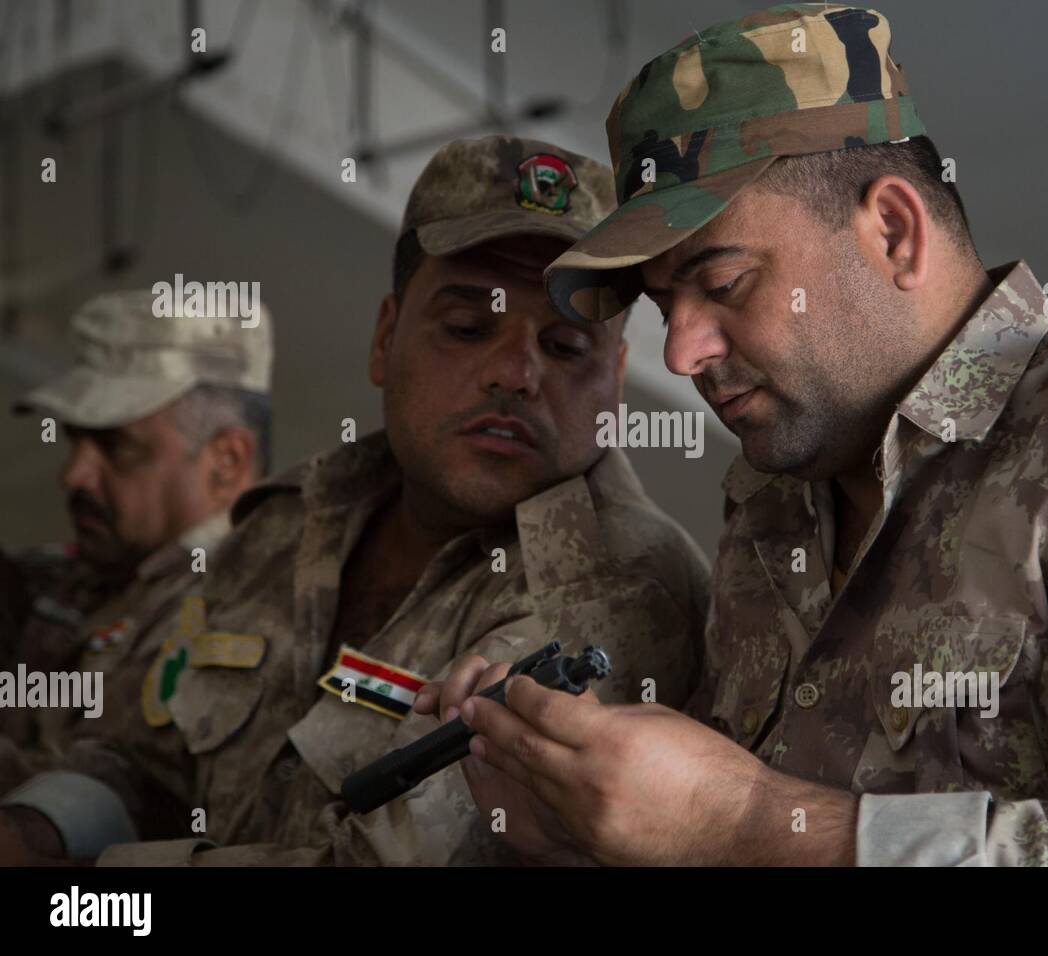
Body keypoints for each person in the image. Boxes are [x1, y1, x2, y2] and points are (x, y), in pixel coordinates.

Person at [433, 4, 1048, 866]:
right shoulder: (775, 504)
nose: (683, 350)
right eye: (665, 305)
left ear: (893, 232)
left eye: (724, 282)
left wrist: (739, 822)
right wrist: (585, 842)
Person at [92, 135, 709, 866]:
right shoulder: (293, 517)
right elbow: (140, 750)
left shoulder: (622, 589)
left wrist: (87, 889)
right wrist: (46, 822)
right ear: (386, 339)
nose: (515, 372)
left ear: (614, 378)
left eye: (567, 346)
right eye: (468, 327)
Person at [0, 290, 273, 859]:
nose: (73, 475)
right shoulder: (82, 574)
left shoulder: (264, 608)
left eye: (116, 448)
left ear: (226, 461)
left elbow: (141, 784)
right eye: (75, 441)